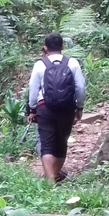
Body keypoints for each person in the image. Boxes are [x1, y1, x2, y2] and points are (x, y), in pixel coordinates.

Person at [26, 33, 86, 183]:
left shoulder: (40, 64)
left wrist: (32, 109)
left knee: (46, 144)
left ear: (45, 48)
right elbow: (80, 87)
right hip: (67, 108)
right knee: (61, 143)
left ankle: (50, 181)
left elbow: (33, 88)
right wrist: (79, 108)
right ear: (63, 46)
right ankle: (54, 174)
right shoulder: (72, 63)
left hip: (44, 108)